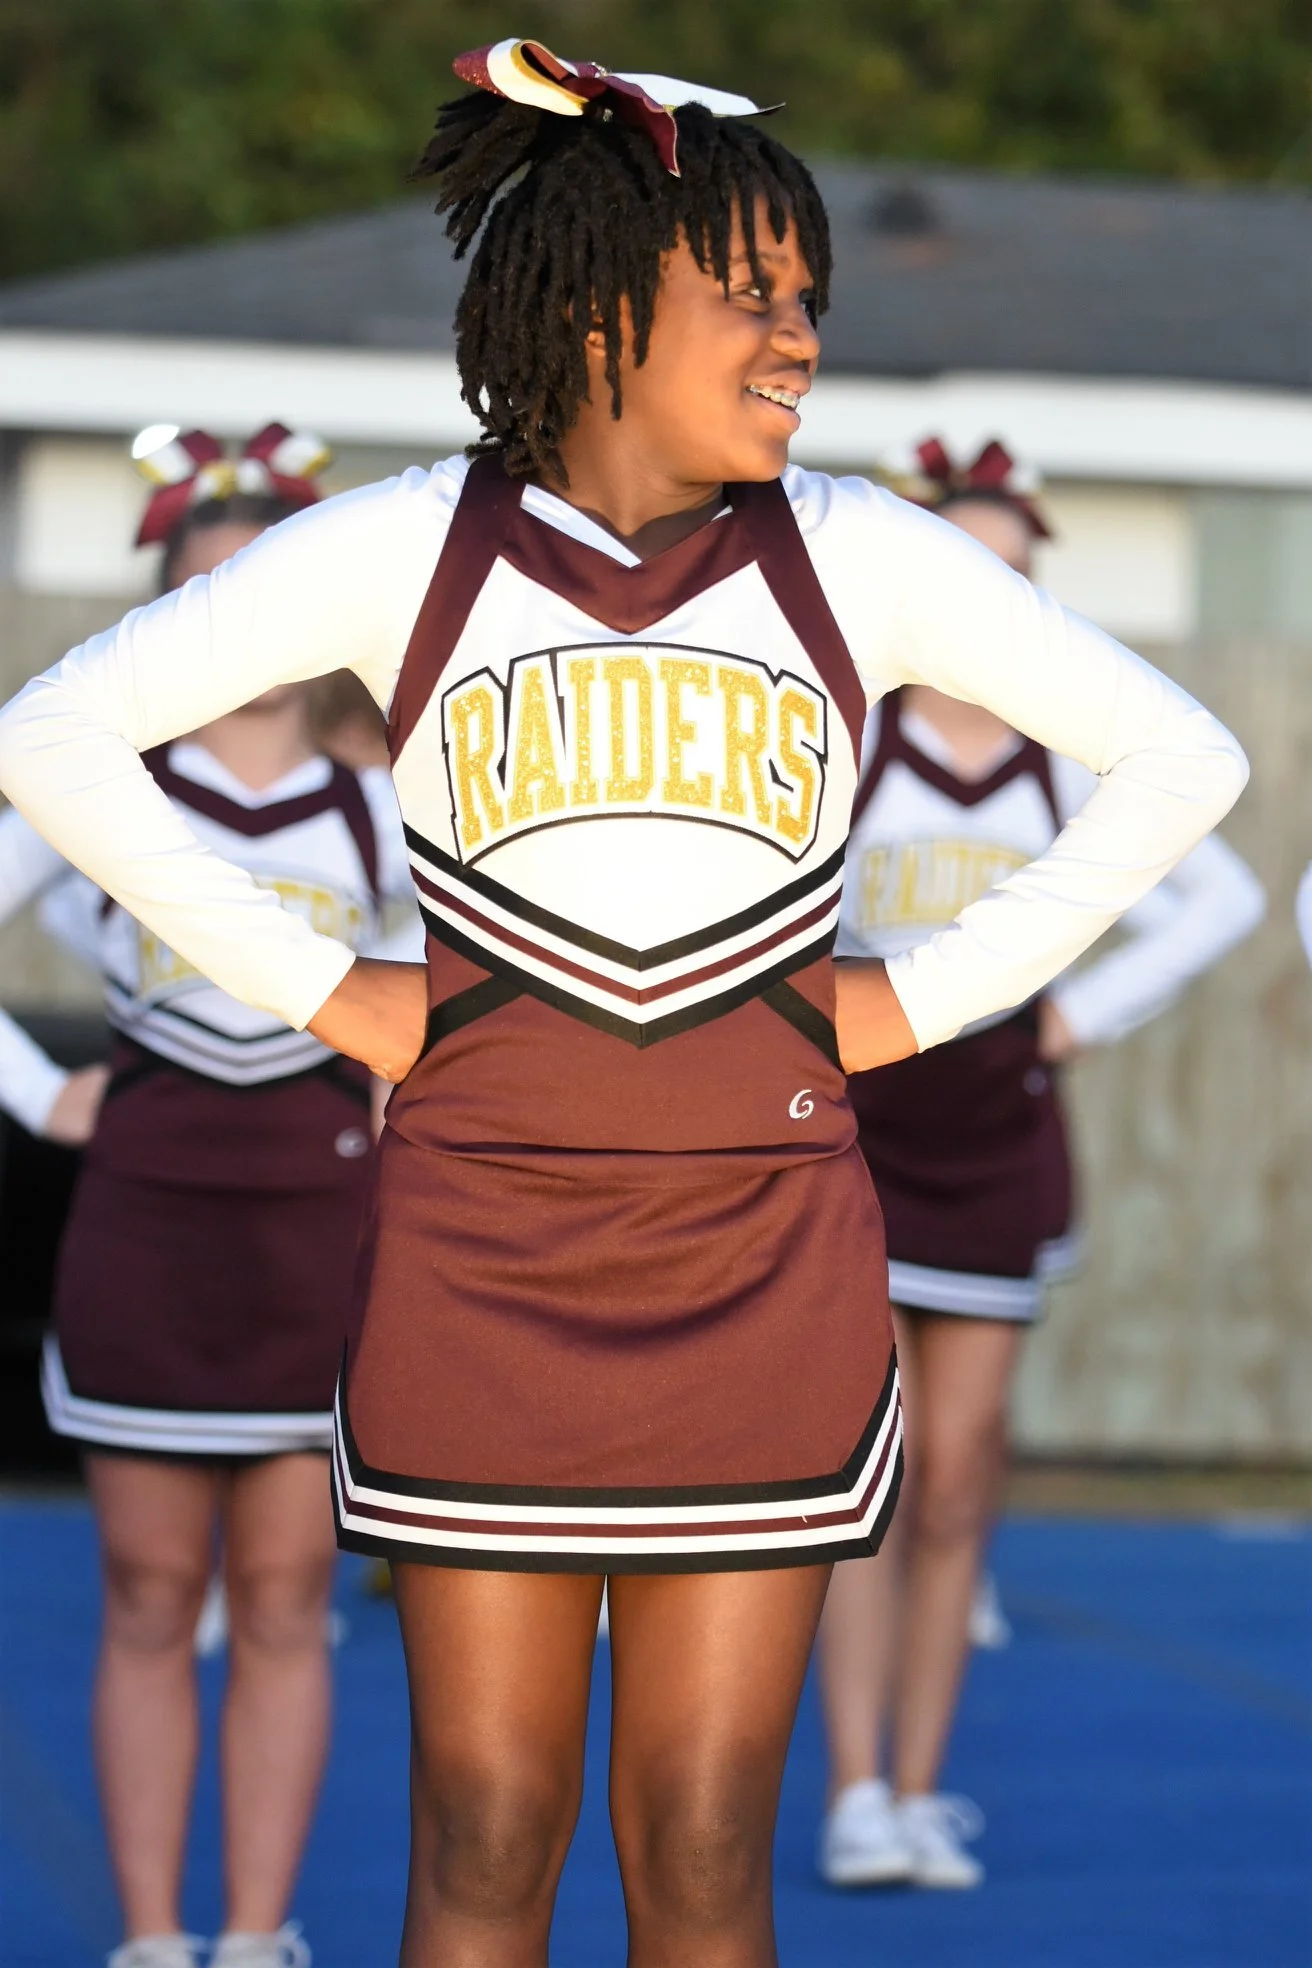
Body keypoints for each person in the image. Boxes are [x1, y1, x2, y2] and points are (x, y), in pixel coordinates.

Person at [0, 44, 1249, 1968]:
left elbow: (1185, 765)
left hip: (762, 1246)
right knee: (486, 1833)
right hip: (478, 1244)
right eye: (748, 295)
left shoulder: (860, 553)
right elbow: (54, 735)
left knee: (699, 1842)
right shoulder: (403, 541)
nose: (797, 340)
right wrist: (333, 988)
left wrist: (918, 1001)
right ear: (593, 310)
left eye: (810, 300)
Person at [817, 437, 1266, 1891]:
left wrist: (1080, 1011)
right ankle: (850, 1789)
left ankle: (920, 1784)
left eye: (1016, 566)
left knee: (958, 1483)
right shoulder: (846, 732)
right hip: (866, 1129)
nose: (990, 585)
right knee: (866, 1473)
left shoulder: (1064, 755)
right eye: (968, 559)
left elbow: (1223, 891)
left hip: (999, 1128)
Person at [0, 424, 419, 1968]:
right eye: (202, 584)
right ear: (156, 616)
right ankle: (153, 1935)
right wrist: (44, 1093)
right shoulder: (98, 792)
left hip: (321, 1226)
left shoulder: (381, 809)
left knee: (293, 1590)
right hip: (149, 1213)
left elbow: (459, 989)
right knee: (147, 1588)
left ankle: (255, 1930)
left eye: (263, 583)